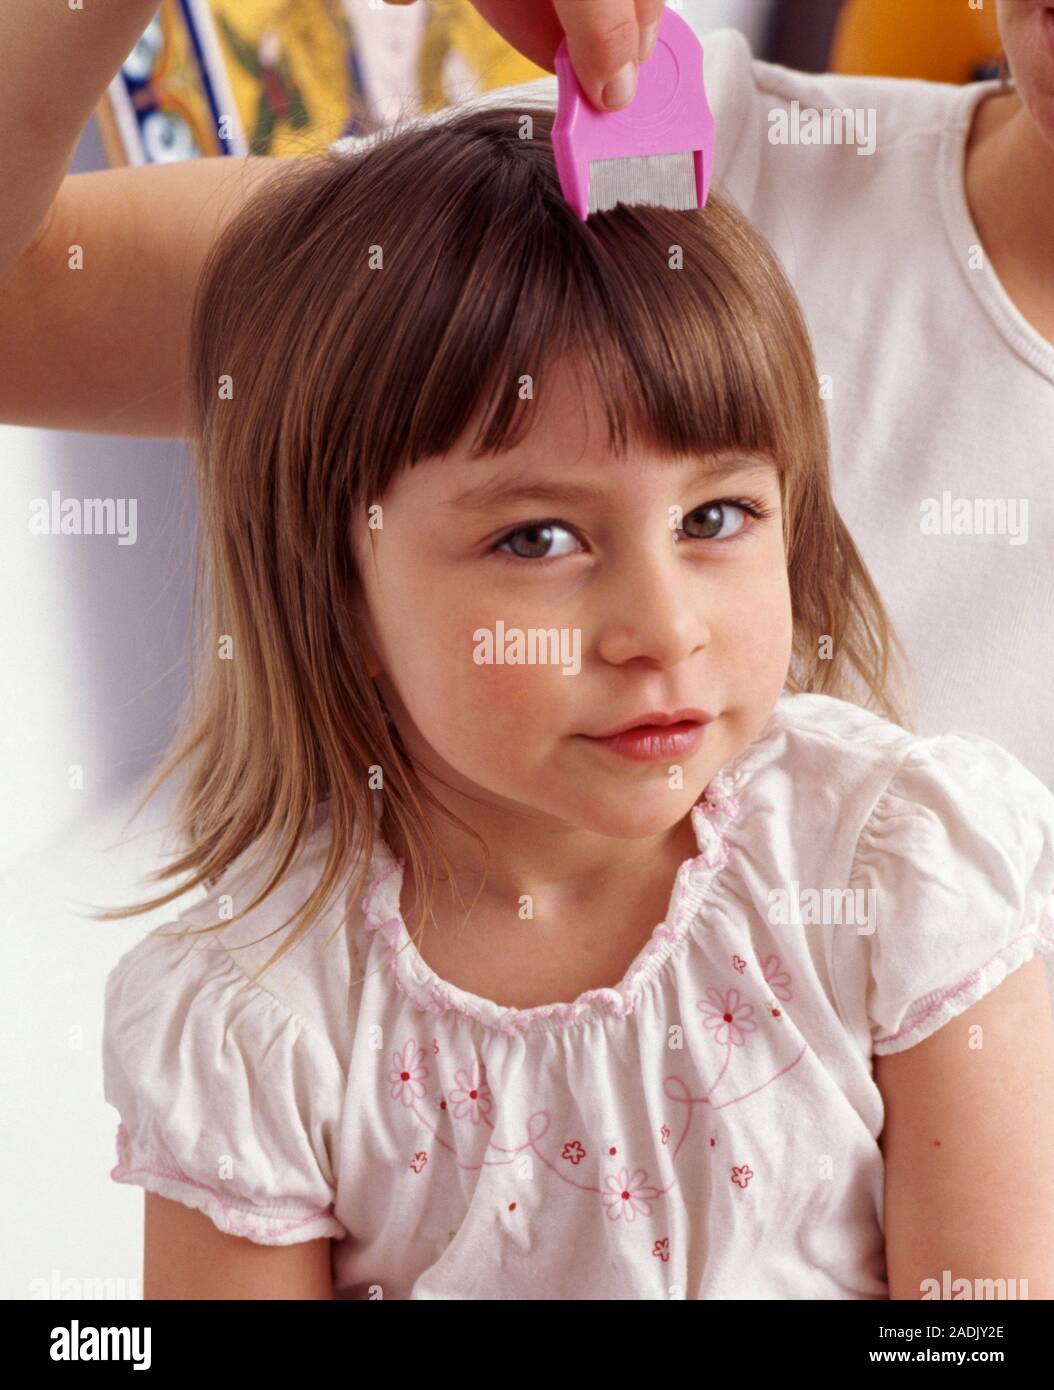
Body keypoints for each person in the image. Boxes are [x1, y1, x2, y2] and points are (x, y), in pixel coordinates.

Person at [97, 98, 1054, 1299]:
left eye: (716, 517)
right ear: (340, 594)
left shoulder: (894, 872)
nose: (661, 629)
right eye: (537, 537)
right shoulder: (260, 1021)